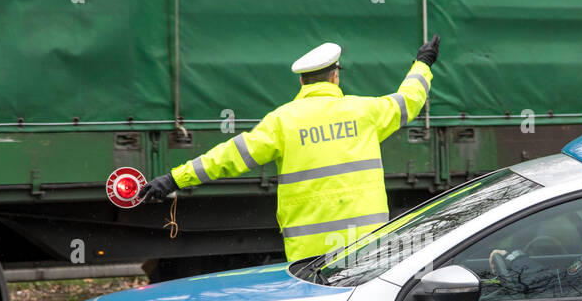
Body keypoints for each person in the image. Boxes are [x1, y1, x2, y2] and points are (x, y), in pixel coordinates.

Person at [142, 36, 441, 261]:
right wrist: (423, 63)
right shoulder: (365, 112)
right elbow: (409, 100)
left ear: (301, 80)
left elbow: (228, 157)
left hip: (308, 258)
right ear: (336, 75)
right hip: (366, 250)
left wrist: (173, 179)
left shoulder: (282, 122)